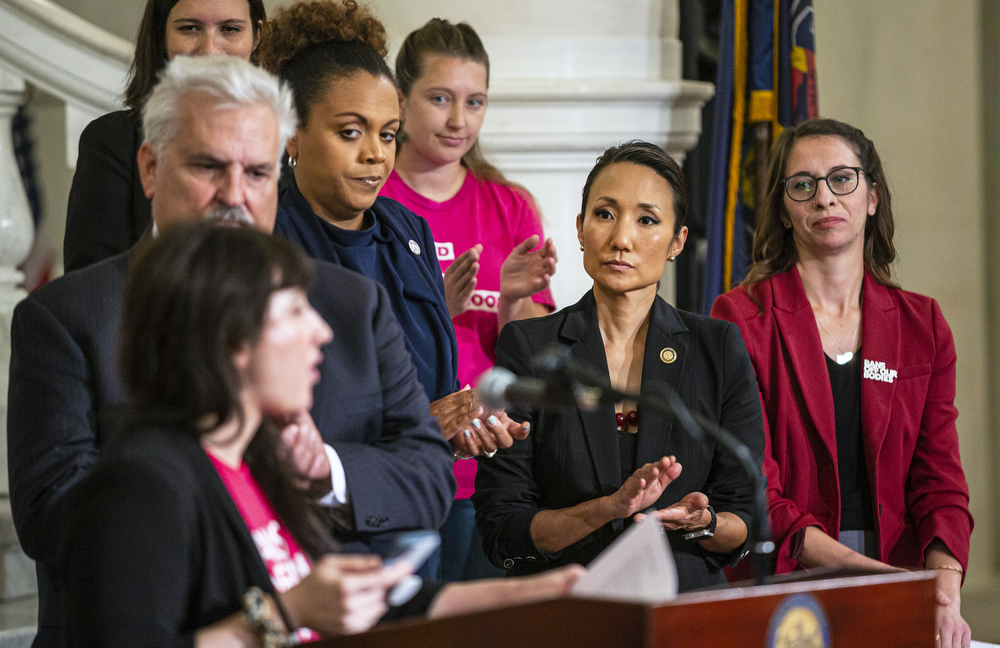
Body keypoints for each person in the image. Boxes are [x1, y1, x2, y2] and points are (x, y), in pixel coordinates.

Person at [8, 56, 454, 647]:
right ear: (149, 168)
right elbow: (51, 518)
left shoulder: (350, 307)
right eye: (208, 167)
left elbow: (429, 476)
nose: (234, 197)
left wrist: (328, 472)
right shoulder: (68, 318)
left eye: (258, 173)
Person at [59, 223, 584, 646]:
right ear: (230, 337)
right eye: (293, 312)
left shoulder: (265, 461)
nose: (322, 331)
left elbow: (382, 599)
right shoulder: (143, 483)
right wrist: (284, 615)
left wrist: (544, 592)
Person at [710, 118, 973, 648]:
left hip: (897, 580)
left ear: (872, 197)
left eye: (842, 179)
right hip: (785, 581)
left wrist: (943, 591)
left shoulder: (923, 326)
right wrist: (866, 573)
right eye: (802, 185)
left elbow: (939, 481)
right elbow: (752, 485)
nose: (824, 198)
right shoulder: (741, 317)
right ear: (784, 210)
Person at [472, 141, 765, 592]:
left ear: (677, 241)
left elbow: (745, 516)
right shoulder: (532, 347)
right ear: (580, 228)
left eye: (647, 220)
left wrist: (703, 523)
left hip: (680, 612)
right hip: (567, 610)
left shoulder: (717, 348)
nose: (621, 239)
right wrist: (608, 509)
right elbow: (503, 526)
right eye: (605, 214)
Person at [258, 4, 525, 474]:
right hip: (324, 526)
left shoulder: (408, 231)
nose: (375, 154)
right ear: (292, 134)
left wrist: (465, 423)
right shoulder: (264, 244)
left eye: (387, 134)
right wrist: (423, 427)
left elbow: (438, 389)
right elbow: (276, 427)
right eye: (350, 132)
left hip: (421, 504)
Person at [378, 18, 558, 582]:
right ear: (401, 100)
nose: (459, 121)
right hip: (407, 464)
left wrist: (508, 303)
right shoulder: (373, 198)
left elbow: (531, 360)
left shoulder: (509, 205)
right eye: (440, 99)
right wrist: (438, 313)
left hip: (494, 469)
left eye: (474, 101)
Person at [63, 0, 266, 272]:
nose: (209, 51)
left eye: (229, 29)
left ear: (256, 36)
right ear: (162, 35)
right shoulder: (112, 141)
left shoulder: (290, 142)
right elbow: (89, 295)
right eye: (190, 28)